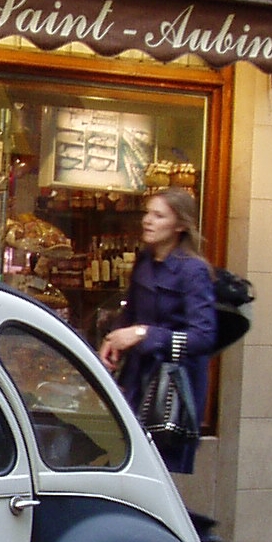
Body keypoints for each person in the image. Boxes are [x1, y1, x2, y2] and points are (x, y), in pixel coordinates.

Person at [99, 187, 218, 478]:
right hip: (136, 380)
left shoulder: (193, 271)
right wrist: (113, 339)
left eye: (159, 215)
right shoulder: (146, 262)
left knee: (155, 474)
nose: (147, 221)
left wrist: (142, 334)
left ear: (180, 225)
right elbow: (131, 313)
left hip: (172, 390)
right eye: (147, 213)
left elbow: (204, 336)